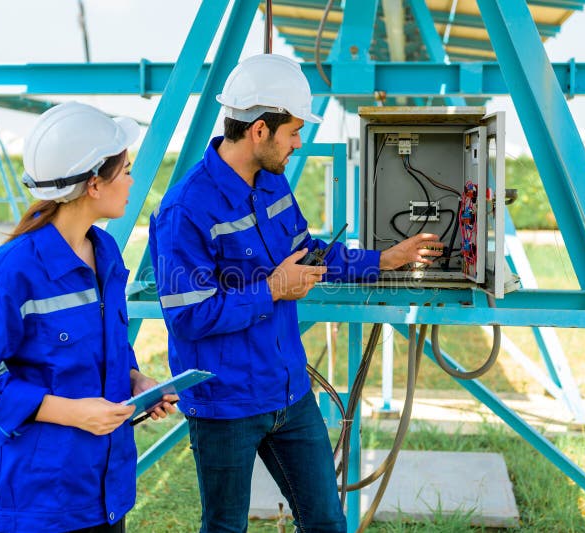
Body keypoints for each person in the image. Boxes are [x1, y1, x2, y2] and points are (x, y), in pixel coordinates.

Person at [150, 54, 443, 533]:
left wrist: (382, 260)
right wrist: (270, 290)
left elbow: (306, 254)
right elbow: (188, 317)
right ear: (260, 130)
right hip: (225, 403)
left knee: (327, 520)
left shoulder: (273, 185)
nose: (298, 143)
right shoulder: (186, 208)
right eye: (293, 132)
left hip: (288, 390)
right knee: (225, 526)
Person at [0, 101, 178, 533]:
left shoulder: (107, 253)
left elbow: (107, 343)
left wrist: (137, 383)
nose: (132, 181)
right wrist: (74, 413)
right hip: (37, 501)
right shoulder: (11, 270)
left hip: (104, 492)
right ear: (94, 184)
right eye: (125, 170)